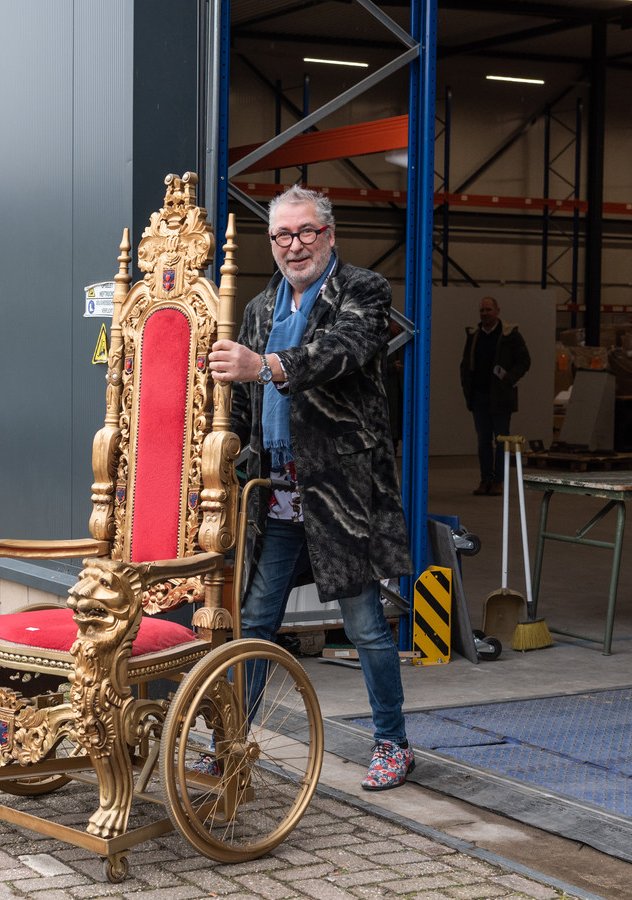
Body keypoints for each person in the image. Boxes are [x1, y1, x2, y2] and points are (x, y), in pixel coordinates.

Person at [208, 184, 414, 791]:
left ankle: (392, 744)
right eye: (281, 236)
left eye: (305, 233)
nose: (294, 246)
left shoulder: (364, 291)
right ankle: (230, 745)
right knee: (253, 623)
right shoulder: (258, 309)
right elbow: (240, 407)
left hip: (339, 496)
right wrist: (219, 459)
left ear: (329, 235)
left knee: (366, 626)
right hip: (273, 495)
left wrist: (266, 365)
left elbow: (340, 352)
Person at [460, 296, 531, 496]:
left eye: (488, 310)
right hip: (479, 396)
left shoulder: (510, 335)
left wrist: (508, 378)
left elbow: (524, 361)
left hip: (501, 398)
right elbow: (465, 364)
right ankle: (485, 479)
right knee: (483, 441)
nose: (485, 314)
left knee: (501, 442)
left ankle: (499, 481)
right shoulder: (474, 336)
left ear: (498, 311)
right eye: (482, 310)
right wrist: (468, 389)